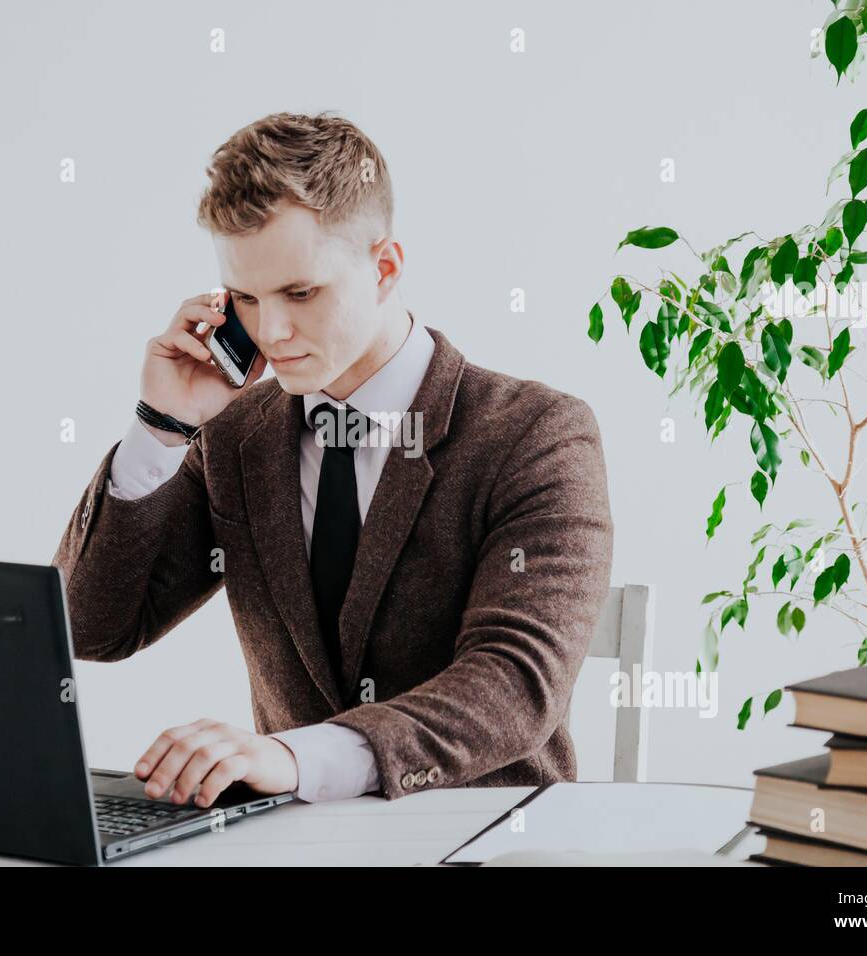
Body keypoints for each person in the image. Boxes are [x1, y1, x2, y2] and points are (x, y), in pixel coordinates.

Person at [53, 111, 613, 810]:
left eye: (301, 292)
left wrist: (297, 756)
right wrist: (162, 426)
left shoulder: (536, 434)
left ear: (384, 268)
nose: (273, 330)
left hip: (483, 837)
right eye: (248, 299)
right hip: (293, 849)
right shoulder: (235, 436)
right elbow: (91, 628)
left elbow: (516, 682)